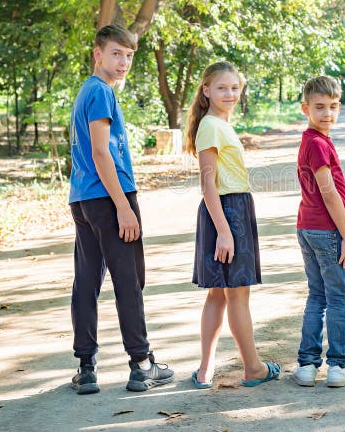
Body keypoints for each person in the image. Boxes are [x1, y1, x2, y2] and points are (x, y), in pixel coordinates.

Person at [68, 24, 174, 394]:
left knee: (87, 282)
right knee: (128, 282)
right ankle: (142, 364)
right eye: (116, 53)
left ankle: (86, 368)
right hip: (109, 198)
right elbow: (100, 152)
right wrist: (122, 208)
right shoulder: (100, 92)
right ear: (98, 53)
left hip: (82, 198)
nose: (124, 61)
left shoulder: (87, 91)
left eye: (129, 55)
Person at [185, 61, 280, 388]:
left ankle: (205, 370)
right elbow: (208, 183)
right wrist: (224, 231)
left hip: (231, 209)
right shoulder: (211, 126)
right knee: (236, 295)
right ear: (206, 90)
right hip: (227, 212)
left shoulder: (218, 124)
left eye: (235, 88)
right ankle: (253, 368)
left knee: (218, 294)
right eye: (222, 88)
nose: (230, 94)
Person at [291, 76, 345, 388]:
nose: (327, 113)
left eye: (333, 107)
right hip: (326, 231)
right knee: (337, 298)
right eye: (319, 107)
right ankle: (338, 365)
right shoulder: (319, 144)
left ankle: (307, 366)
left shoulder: (310, 140)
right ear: (305, 108)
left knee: (317, 295)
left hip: (307, 227)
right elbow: (328, 193)